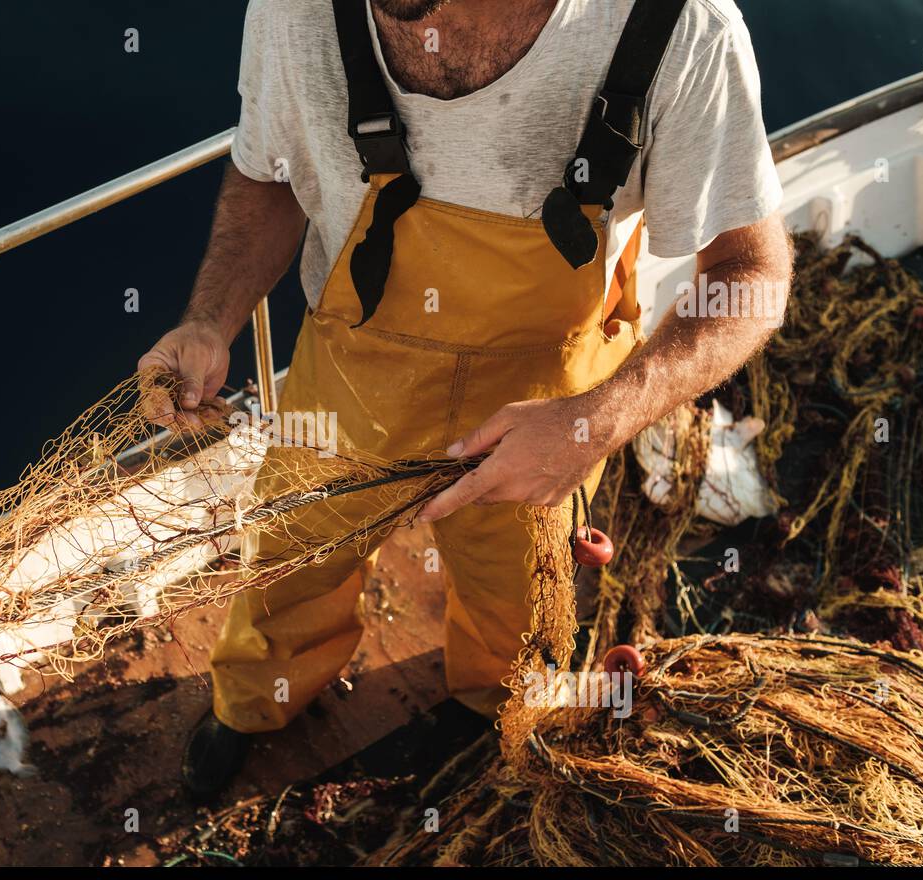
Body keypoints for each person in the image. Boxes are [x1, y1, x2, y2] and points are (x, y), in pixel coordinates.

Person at [138, 0, 791, 798]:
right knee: (292, 558)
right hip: (350, 373)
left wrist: (592, 424)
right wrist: (212, 318)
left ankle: (489, 712)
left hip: (546, 406)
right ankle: (253, 707)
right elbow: (271, 172)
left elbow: (749, 276)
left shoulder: (679, 28)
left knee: (519, 600)